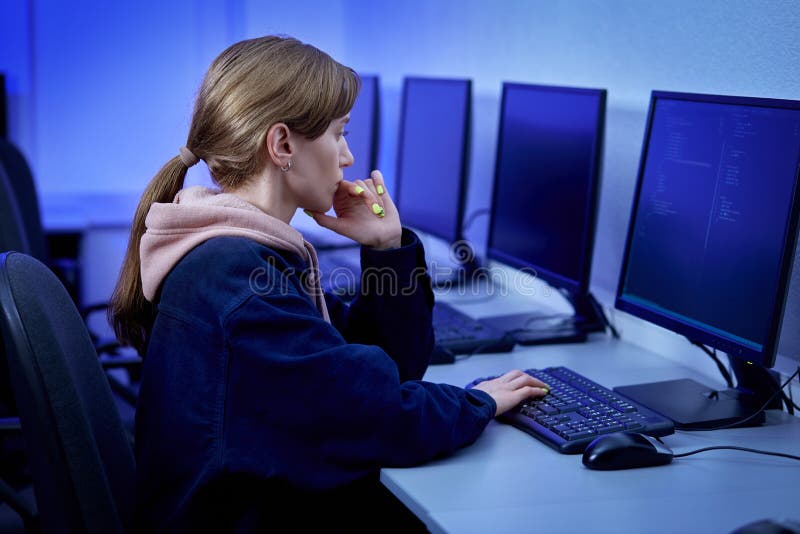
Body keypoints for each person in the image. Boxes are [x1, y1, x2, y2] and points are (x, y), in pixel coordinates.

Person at [109, 35, 548, 533]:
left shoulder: (247, 254)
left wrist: (387, 249)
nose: (348, 156)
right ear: (282, 145)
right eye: (339, 134)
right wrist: (480, 402)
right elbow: (379, 419)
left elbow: (387, 370)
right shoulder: (236, 281)